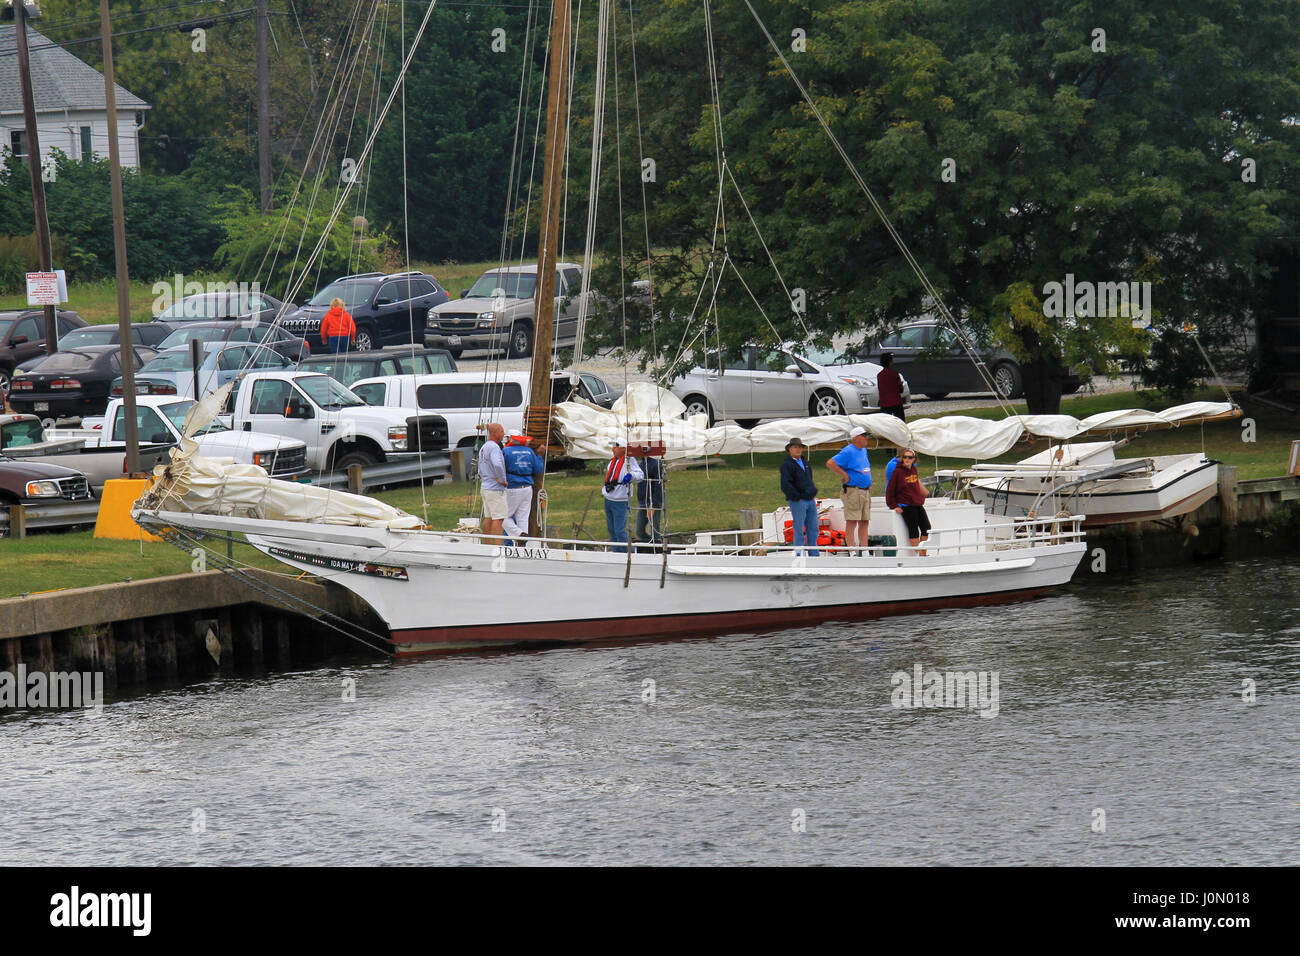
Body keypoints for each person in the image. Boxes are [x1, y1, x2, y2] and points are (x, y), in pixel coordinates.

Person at [826, 425, 873, 553]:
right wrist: (845, 475)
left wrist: (870, 482)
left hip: (865, 490)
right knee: (852, 521)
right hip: (853, 491)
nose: (867, 439)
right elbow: (830, 462)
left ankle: (864, 551)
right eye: (864, 436)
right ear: (857, 438)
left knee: (864, 521)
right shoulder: (848, 451)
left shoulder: (864, 450)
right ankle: (851, 551)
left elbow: (865, 467)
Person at [885, 448, 931, 556]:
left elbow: (915, 486)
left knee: (927, 528)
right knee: (913, 530)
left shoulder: (914, 470)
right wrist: (894, 505)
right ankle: (921, 555)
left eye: (910, 457)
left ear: (914, 459)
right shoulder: (897, 471)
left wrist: (921, 498)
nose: (907, 459)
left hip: (917, 504)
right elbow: (890, 490)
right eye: (905, 457)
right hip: (906, 505)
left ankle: (923, 553)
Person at [502, 433, 545, 544]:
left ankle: (519, 535)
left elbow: (499, 468)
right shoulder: (529, 451)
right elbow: (538, 470)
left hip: (512, 488)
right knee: (522, 517)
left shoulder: (506, 451)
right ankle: (523, 545)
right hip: (527, 489)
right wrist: (539, 456)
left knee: (502, 517)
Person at [602, 441, 644, 553]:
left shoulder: (629, 461)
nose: (612, 449)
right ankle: (616, 551)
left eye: (615, 447)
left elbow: (640, 475)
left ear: (623, 448)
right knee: (611, 529)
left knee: (619, 530)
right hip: (609, 498)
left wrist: (631, 475)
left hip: (620, 500)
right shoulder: (612, 462)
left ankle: (629, 552)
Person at [779, 437, 819, 556]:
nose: (798, 449)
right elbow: (785, 484)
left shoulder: (805, 463)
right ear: (790, 449)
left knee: (813, 527)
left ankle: (814, 553)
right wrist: (797, 497)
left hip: (809, 499)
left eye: (800, 447)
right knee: (799, 527)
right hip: (798, 501)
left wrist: (812, 493)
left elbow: (809, 479)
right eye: (795, 447)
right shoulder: (787, 465)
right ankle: (799, 553)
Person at [477, 423, 508, 544]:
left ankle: (488, 544)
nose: (503, 434)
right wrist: (502, 479)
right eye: (501, 431)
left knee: (488, 517)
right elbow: (497, 464)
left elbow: (480, 468)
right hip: (495, 489)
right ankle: (499, 546)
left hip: (485, 486)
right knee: (498, 518)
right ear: (494, 433)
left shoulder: (484, 447)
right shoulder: (495, 448)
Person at [635, 454, 664, 544]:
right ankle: (651, 545)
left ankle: (657, 546)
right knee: (639, 531)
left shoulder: (656, 464)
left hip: (653, 502)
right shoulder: (641, 465)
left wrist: (653, 505)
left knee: (654, 529)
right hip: (642, 502)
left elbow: (658, 486)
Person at [876, 352, 906, 421]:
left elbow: (880, 389)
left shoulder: (879, 375)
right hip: (896, 402)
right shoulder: (895, 374)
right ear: (890, 362)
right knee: (900, 422)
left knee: (887, 423)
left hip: (884, 403)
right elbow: (900, 389)